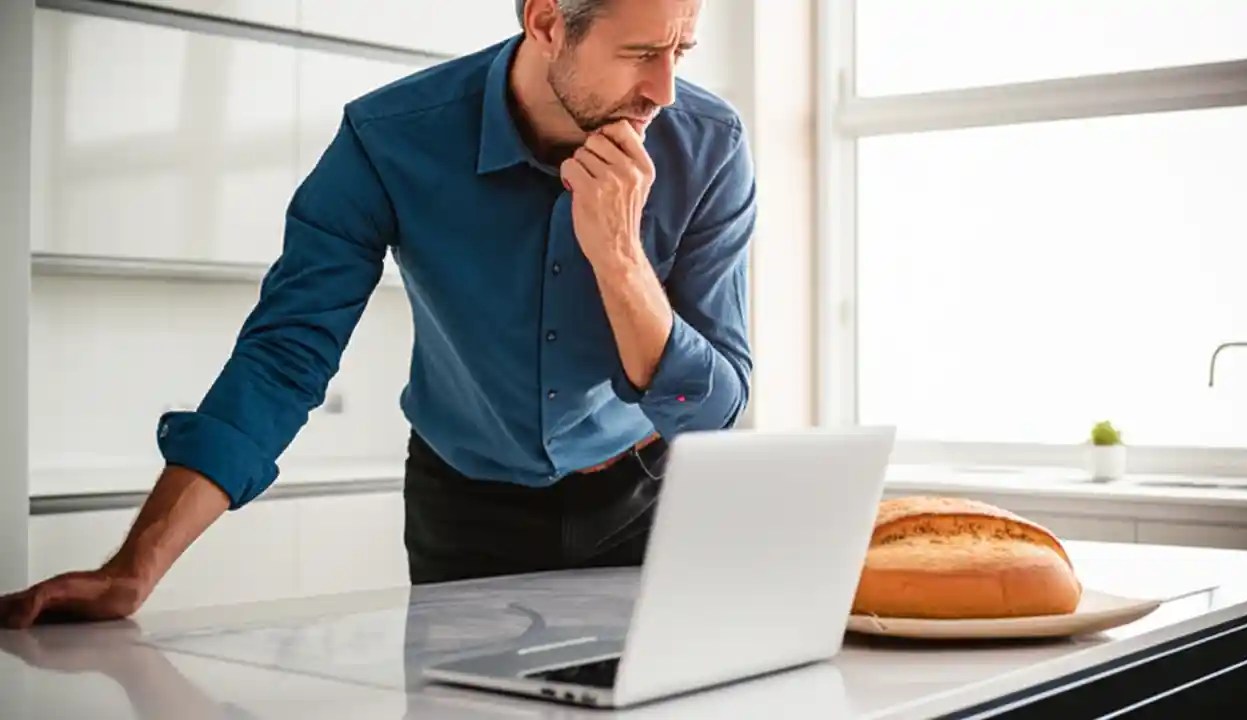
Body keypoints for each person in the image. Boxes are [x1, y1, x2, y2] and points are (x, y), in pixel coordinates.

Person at [0, 0, 754, 629]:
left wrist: (618, 256)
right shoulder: (389, 139)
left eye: (681, 51)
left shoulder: (709, 147)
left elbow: (712, 409)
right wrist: (134, 569)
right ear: (548, 21)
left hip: (648, 502)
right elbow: (284, 357)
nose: (666, 90)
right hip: (464, 510)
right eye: (642, 53)